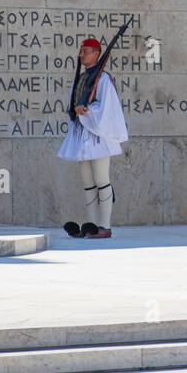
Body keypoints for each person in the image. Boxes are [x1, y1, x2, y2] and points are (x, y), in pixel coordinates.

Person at [58, 37, 129, 239]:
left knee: (101, 179)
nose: (82, 54)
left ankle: (104, 226)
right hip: (82, 135)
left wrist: (88, 110)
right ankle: (91, 224)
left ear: (96, 54)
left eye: (86, 51)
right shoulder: (82, 78)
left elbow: (107, 107)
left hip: (99, 136)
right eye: (81, 51)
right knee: (87, 181)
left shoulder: (103, 79)